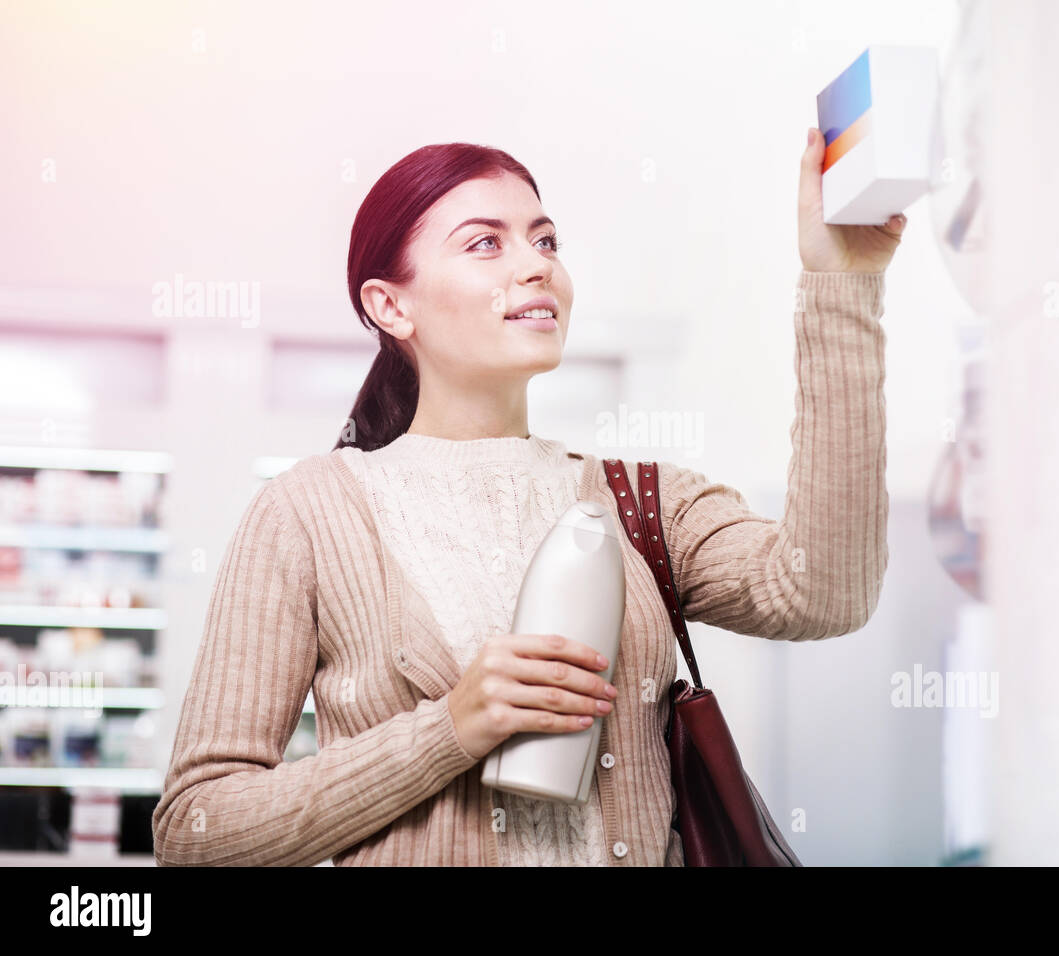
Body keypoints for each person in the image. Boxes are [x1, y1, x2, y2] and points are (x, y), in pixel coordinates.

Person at [152, 130, 904, 866]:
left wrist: (841, 284)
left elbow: (824, 593)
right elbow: (195, 830)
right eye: (485, 243)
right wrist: (450, 729)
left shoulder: (640, 502)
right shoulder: (308, 513)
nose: (537, 265)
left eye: (546, 241)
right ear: (390, 306)